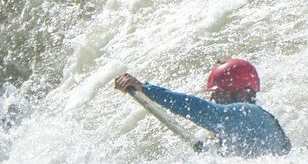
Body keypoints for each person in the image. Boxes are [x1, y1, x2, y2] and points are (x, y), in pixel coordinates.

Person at [112, 59, 290, 156]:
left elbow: (203, 110)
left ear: (243, 92)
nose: (212, 98)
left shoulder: (251, 114)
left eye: (220, 93)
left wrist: (146, 89)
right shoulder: (234, 130)